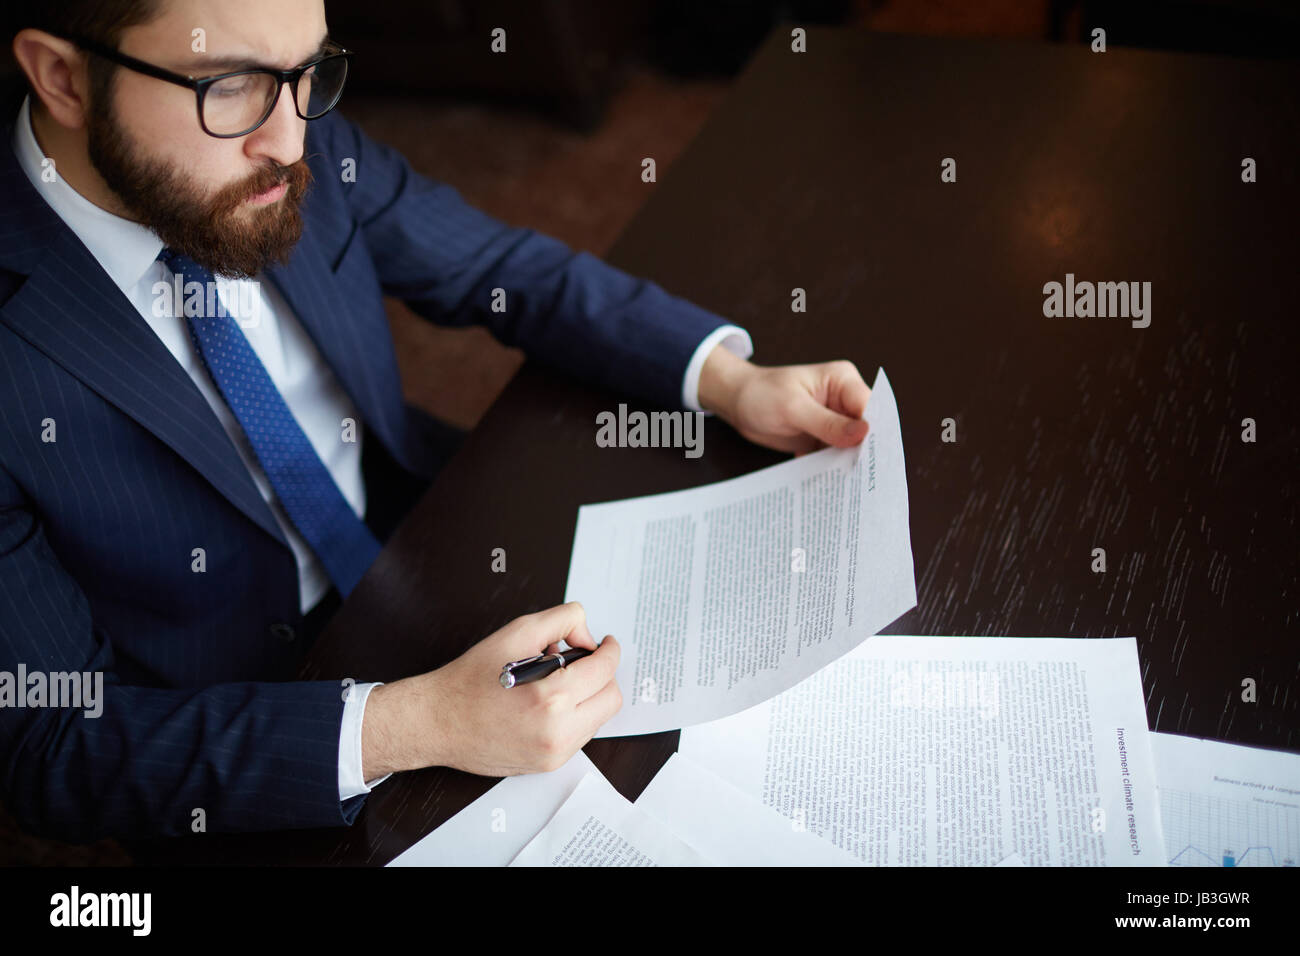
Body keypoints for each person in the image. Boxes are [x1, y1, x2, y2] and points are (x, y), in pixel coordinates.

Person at [0, 0, 872, 843]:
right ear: (62, 79)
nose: (292, 144)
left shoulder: (288, 138)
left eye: (308, 70)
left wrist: (727, 379)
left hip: (419, 533)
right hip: (230, 731)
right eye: (227, 86)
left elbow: (498, 266)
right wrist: (415, 724)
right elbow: (51, 747)